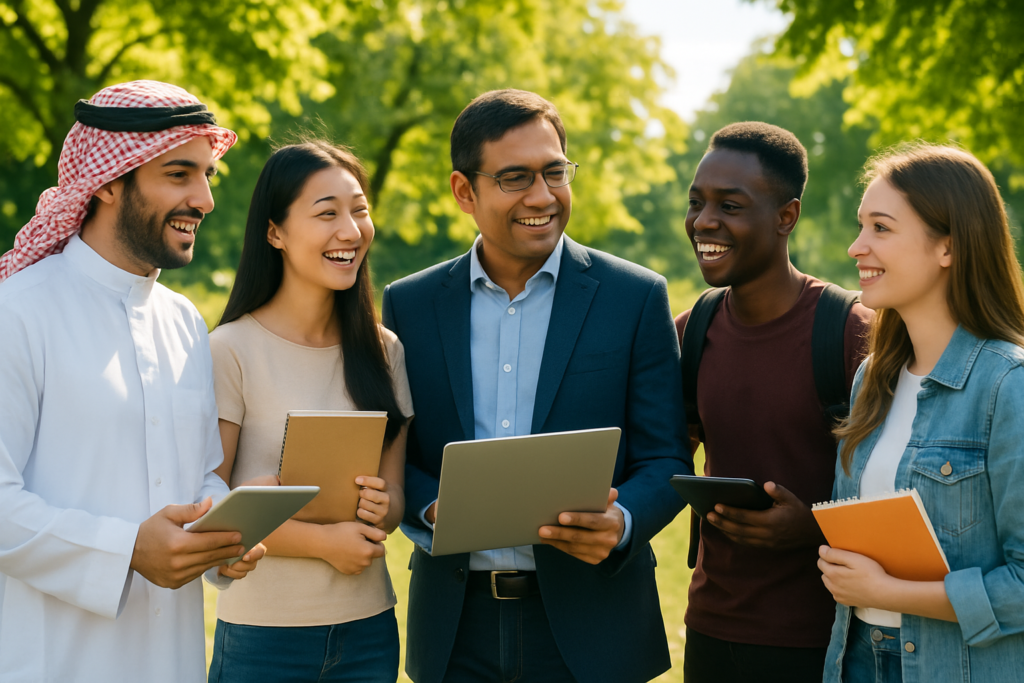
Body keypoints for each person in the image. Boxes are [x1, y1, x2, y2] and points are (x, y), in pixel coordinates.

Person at [382, 89, 691, 683]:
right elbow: (401, 455)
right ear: (463, 191)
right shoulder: (410, 305)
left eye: (555, 172)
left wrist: (621, 521)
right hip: (453, 630)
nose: (543, 196)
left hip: (596, 628)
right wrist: (430, 507)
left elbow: (666, 457)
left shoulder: (635, 297)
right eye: (515, 177)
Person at [0, 80, 267, 683]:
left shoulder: (182, 321)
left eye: (208, 176)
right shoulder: (18, 313)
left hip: (170, 660)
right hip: (52, 662)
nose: (204, 199)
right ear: (109, 182)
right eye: (180, 174)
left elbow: (198, 477)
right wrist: (126, 551)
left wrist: (226, 530)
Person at [206, 140, 414, 683]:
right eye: (327, 213)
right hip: (262, 637)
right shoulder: (230, 349)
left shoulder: (384, 349)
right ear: (275, 232)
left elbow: (394, 504)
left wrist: (379, 506)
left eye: (359, 210)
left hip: (369, 630)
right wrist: (324, 543)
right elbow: (214, 508)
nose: (351, 230)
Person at [674, 122, 873, 683]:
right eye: (697, 202)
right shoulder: (692, 331)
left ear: (786, 216)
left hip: (826, 638)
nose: (704, 221)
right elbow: (659, 456)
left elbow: (910, 492)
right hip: (710, 629)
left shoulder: (853, 332)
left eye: (730, 205)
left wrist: (813, 527)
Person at [818, 143, 1024, 682]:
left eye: (881, 228)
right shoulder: (872, 379)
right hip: (856, 657)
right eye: (861, 227)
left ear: (948, 247)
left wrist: (887, 593)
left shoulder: (1009, 385)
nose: (855, 247)